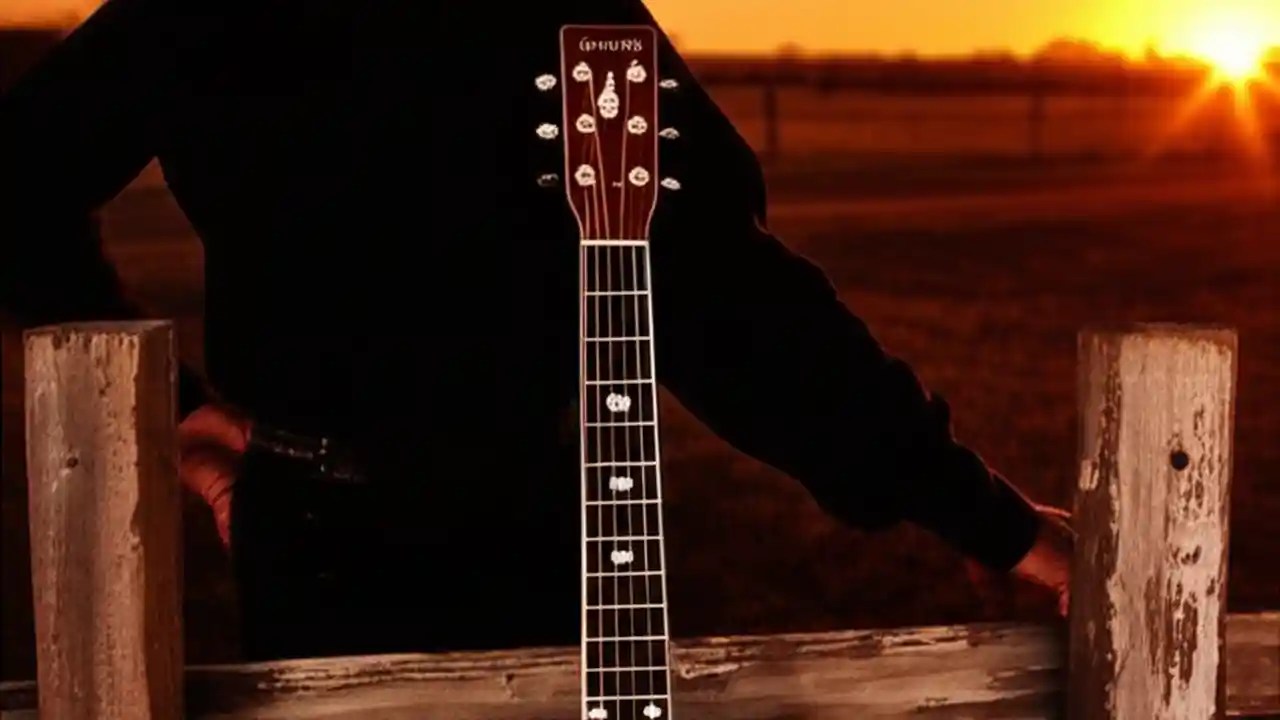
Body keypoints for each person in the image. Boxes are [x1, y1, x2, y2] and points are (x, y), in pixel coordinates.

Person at [0, 0, 1073, 661]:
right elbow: (726, 300)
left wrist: (181, 414)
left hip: (354, 525)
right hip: (468, 517)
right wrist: (984, 519)